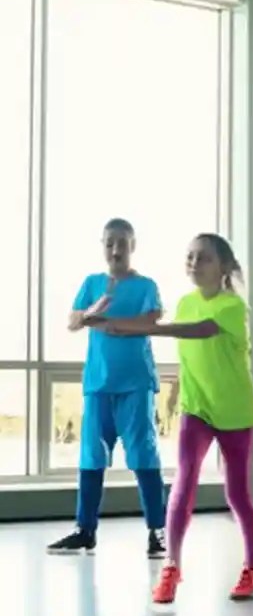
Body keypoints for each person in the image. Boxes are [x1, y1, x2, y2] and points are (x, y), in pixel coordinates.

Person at [100, 233, 253, 604]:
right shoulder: (186, 301)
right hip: (197, 408)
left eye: (203, 258)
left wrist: (142, 328)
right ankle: (171, 567)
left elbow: (199, 332)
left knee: (237, 495)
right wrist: (176, 396)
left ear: (223, 267)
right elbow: (189, 356)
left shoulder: (232, 307)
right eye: (190, 257)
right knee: (184, 481)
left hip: (235, 411)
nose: (194, 263)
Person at [48, 218, 167, 558]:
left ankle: (157, 532)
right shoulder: (92, 283)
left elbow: (150, 321)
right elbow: (73, 322)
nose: (116, 250)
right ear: (103, 245)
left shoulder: (146, 285)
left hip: (135, 384)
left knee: (143, 454)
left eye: (123, 243)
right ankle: (85, 530)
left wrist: (109, 324)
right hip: (98, 384)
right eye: (110, 243)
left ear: (133, 246)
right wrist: (89, 313)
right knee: (91, 456)